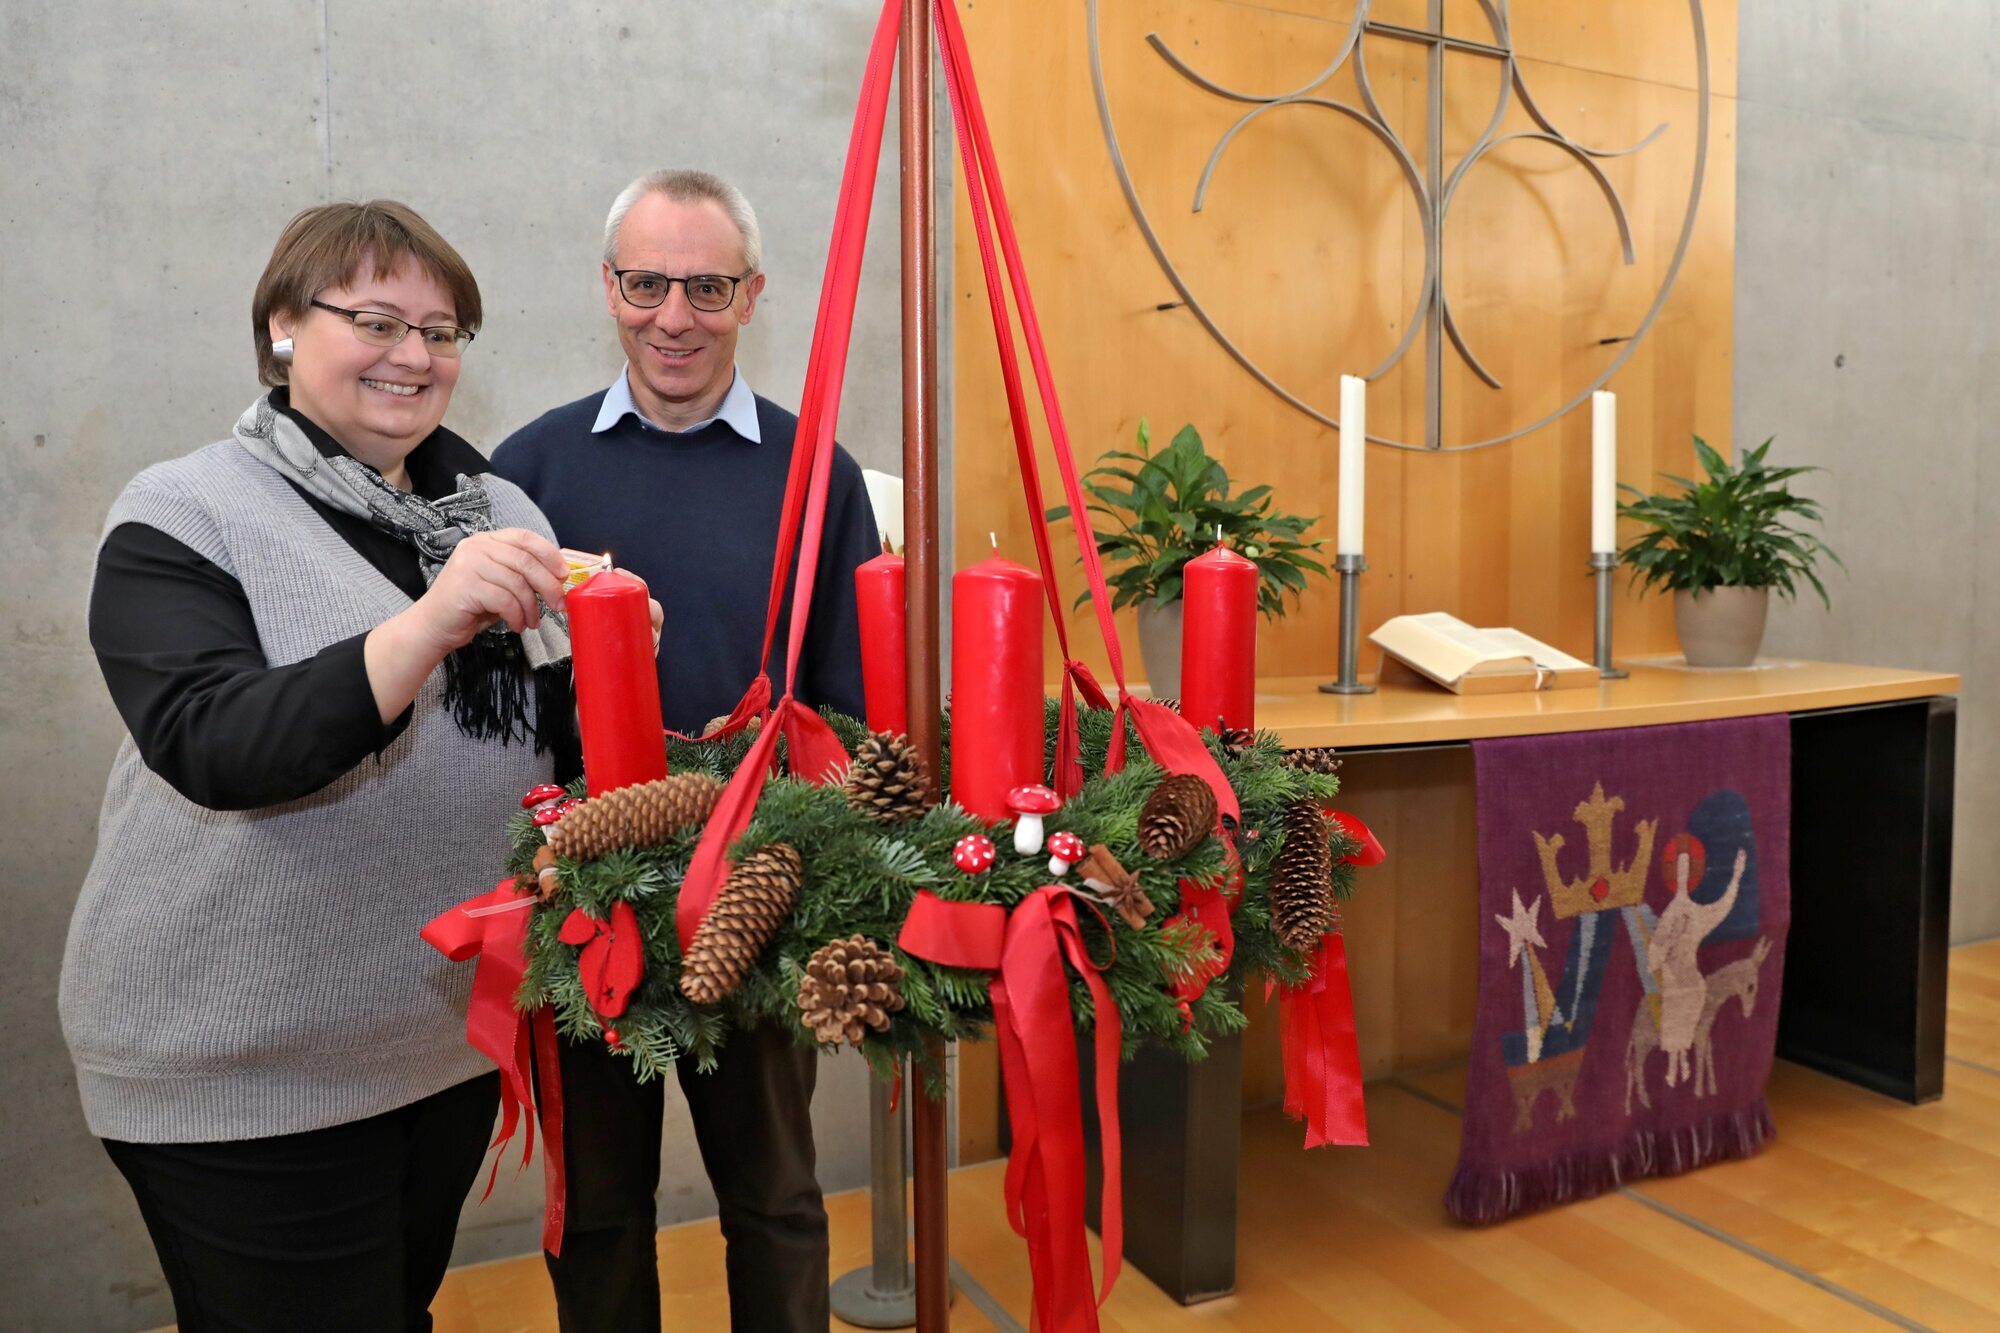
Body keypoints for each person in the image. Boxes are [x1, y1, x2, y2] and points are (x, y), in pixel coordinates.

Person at [58, 200, 632, 1333]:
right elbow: (216, 743)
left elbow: (546, 757)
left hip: (431, 1045)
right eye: (376, 319)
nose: (415, 355)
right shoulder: (185, 510)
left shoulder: (497, 508)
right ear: (281, 325)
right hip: (238, 1060)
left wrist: (616, 655)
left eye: (443, 329)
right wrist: (427, 623)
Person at [492, 169, 879, 1333]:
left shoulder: (818, 473)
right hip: (585, 901)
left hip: (758, 886)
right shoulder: (529, 471)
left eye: (705, 287)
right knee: (599, 1207)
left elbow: (849, 700)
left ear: (751, 294)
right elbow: (488, 700)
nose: (674, 316)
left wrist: (831, 868)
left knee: (775, 1196)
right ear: (608, 287)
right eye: (647, 283)